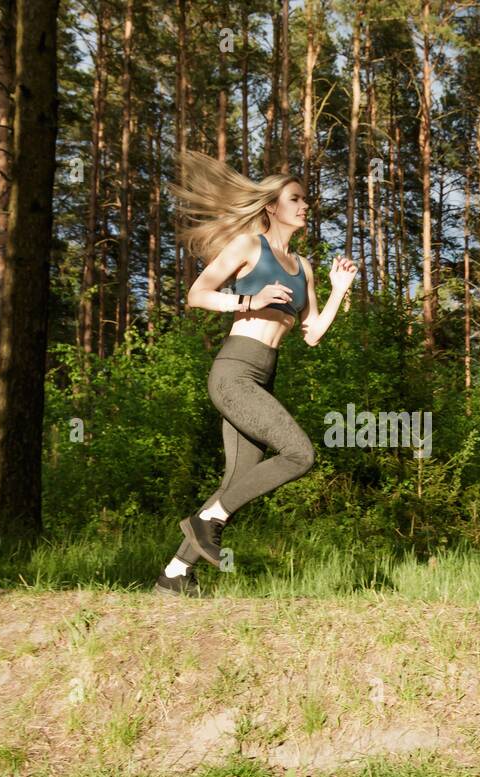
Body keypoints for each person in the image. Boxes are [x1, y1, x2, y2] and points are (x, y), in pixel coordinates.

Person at [156, 151, 358, 596]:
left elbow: (310, 334)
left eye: (306, 200)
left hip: (263, 376)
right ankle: (206, 520)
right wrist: (248, 300)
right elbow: (197, 294)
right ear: (271, 206)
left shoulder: (302, 266)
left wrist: (339, 291)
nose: (305, 206)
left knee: (237, 479)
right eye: (296, 198)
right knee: (299, 454)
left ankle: (173, 576)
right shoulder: (250, 245)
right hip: (233, 371)